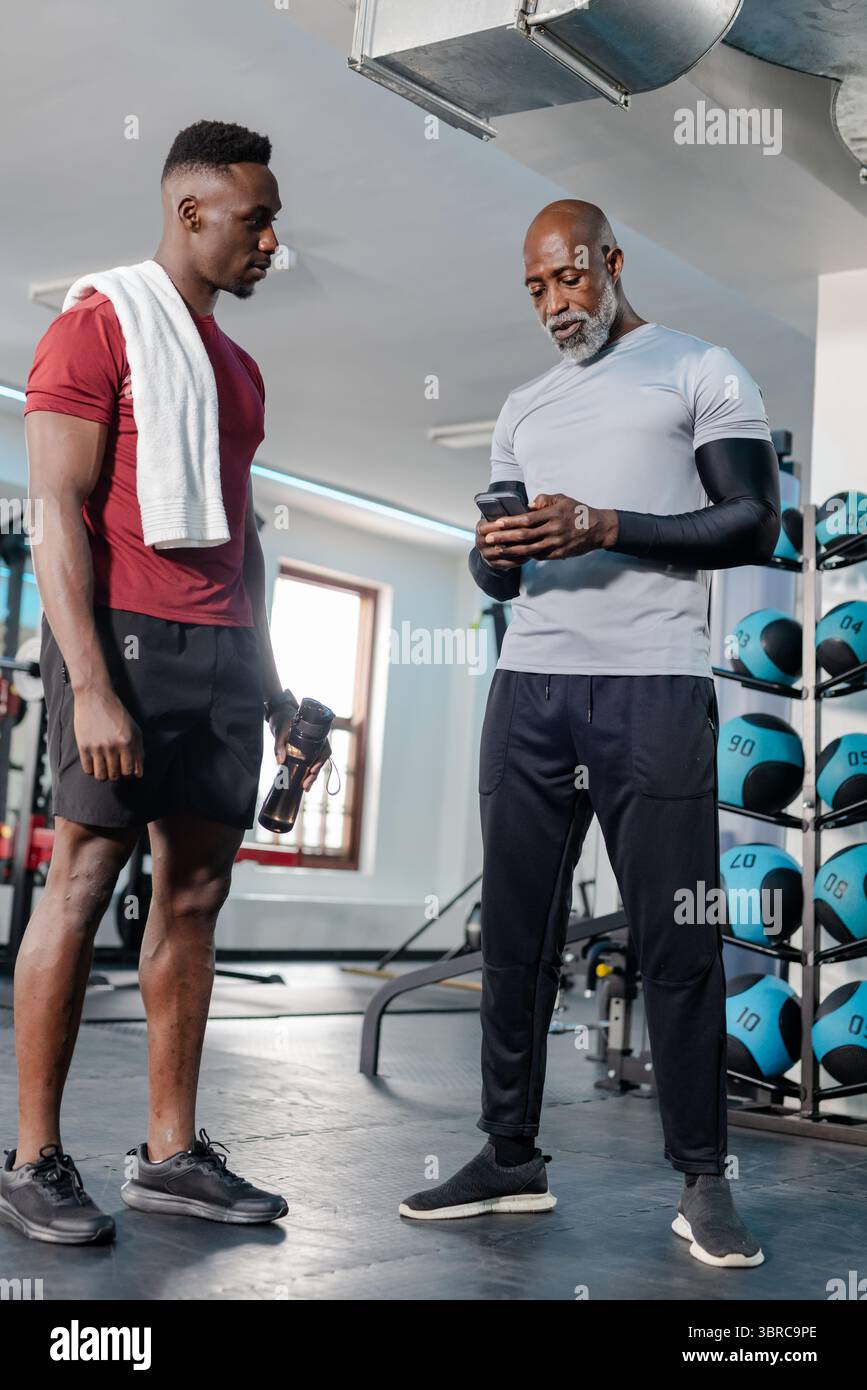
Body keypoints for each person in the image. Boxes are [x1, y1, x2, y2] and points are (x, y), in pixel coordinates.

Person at [400, 199, 779, 1269]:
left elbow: (751, 519)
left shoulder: (703, 367)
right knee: (513, 937)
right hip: (530, 686)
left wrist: (606, 523)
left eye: (569, 279)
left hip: (651, 686)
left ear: (611, 264)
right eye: (535, 289)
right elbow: (497, 565)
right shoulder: (522, 406)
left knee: (677, 938)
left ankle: (704, 1180)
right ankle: (507, 1154)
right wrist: (498, 550)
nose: (555, 304)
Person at [0, 120, 327, 1246]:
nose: (272, 241)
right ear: (192, 213)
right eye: (256, 219)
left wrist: (275, 683)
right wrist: (86, 681)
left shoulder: (237, 368)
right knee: (83, 882)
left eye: (274, 220)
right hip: (126, 642)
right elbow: (53, 513)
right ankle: (33, 1157)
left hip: (227, 650)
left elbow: (244, 535)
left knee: (194, 895)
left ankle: (170, 1153)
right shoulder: (93, 327)